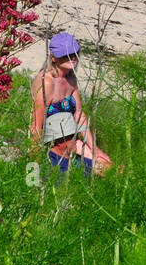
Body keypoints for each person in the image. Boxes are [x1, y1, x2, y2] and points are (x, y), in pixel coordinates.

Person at [31, 33, 112, 175]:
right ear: (53, 57)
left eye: (74, 53)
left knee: (108, 166)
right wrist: (33, 166)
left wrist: (94, 149)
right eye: (66, 54)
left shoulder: (71, 78)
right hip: (53, 149)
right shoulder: (47, 81)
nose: (72, 57)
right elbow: (35, 126)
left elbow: (79, 114)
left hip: (73, 144)